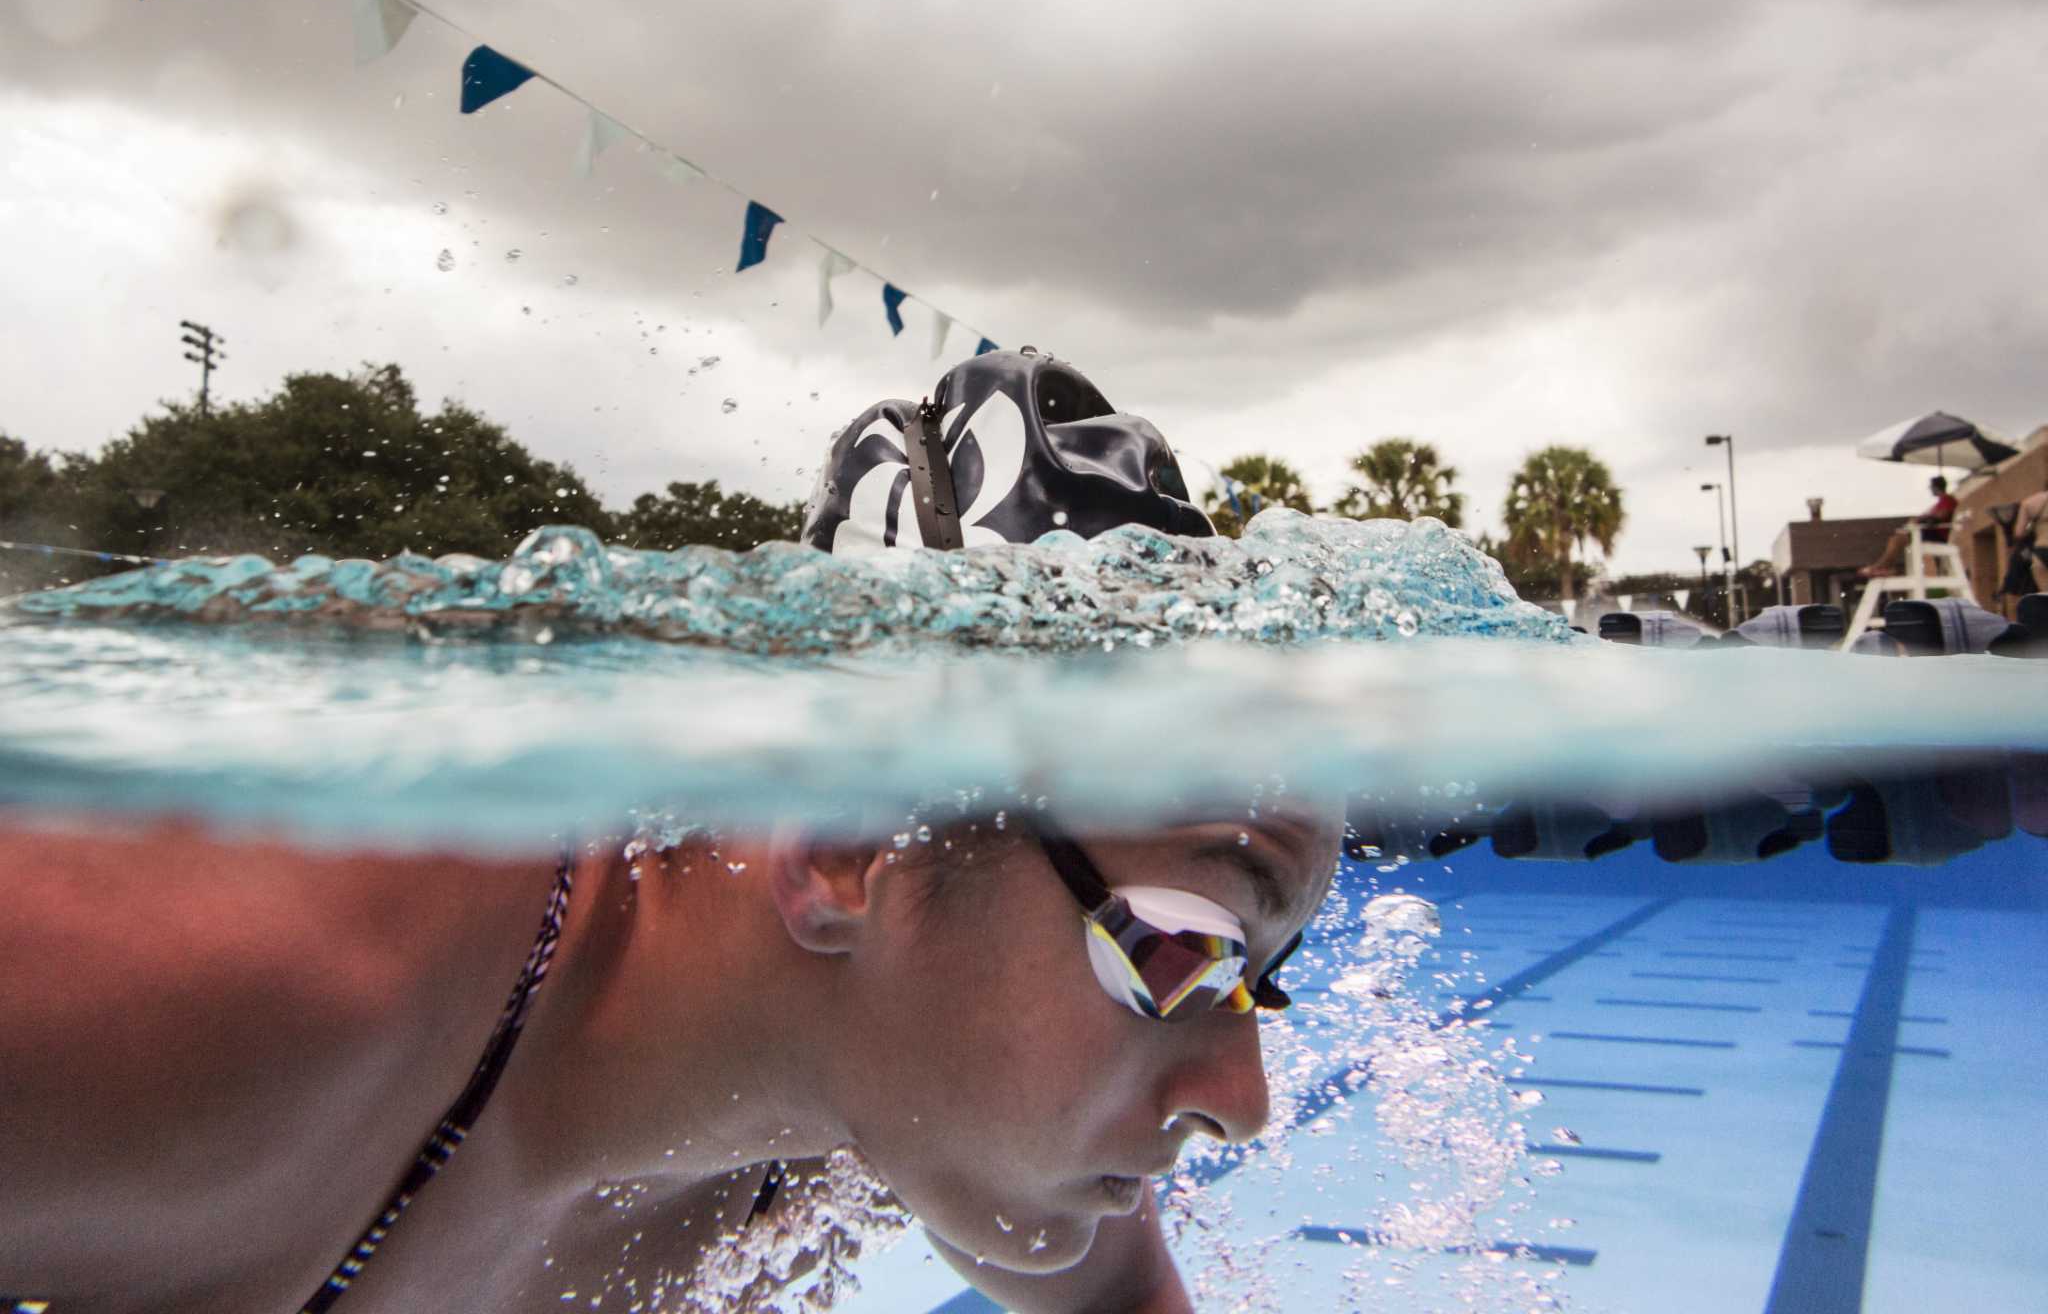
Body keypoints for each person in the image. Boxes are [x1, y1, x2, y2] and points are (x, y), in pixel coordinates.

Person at [1, 349, 1342, 1314]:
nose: (1245, 1098)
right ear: (854, 846)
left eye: (1245, 981)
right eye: (1185, 956)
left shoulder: (911, 1104)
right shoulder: (268, 966)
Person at [1856, 474, 1957, 580]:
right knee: (1895, 539)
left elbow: (1941, 516)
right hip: (1929, 533)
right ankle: (1884, 566)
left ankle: (1882, 567)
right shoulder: (1940, 502)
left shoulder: (1948, 500)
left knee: (1898, 539)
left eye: (1930, 487)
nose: (1930, 489)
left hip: (1936, 535)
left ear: (1936, 487)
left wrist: (1922, 518)